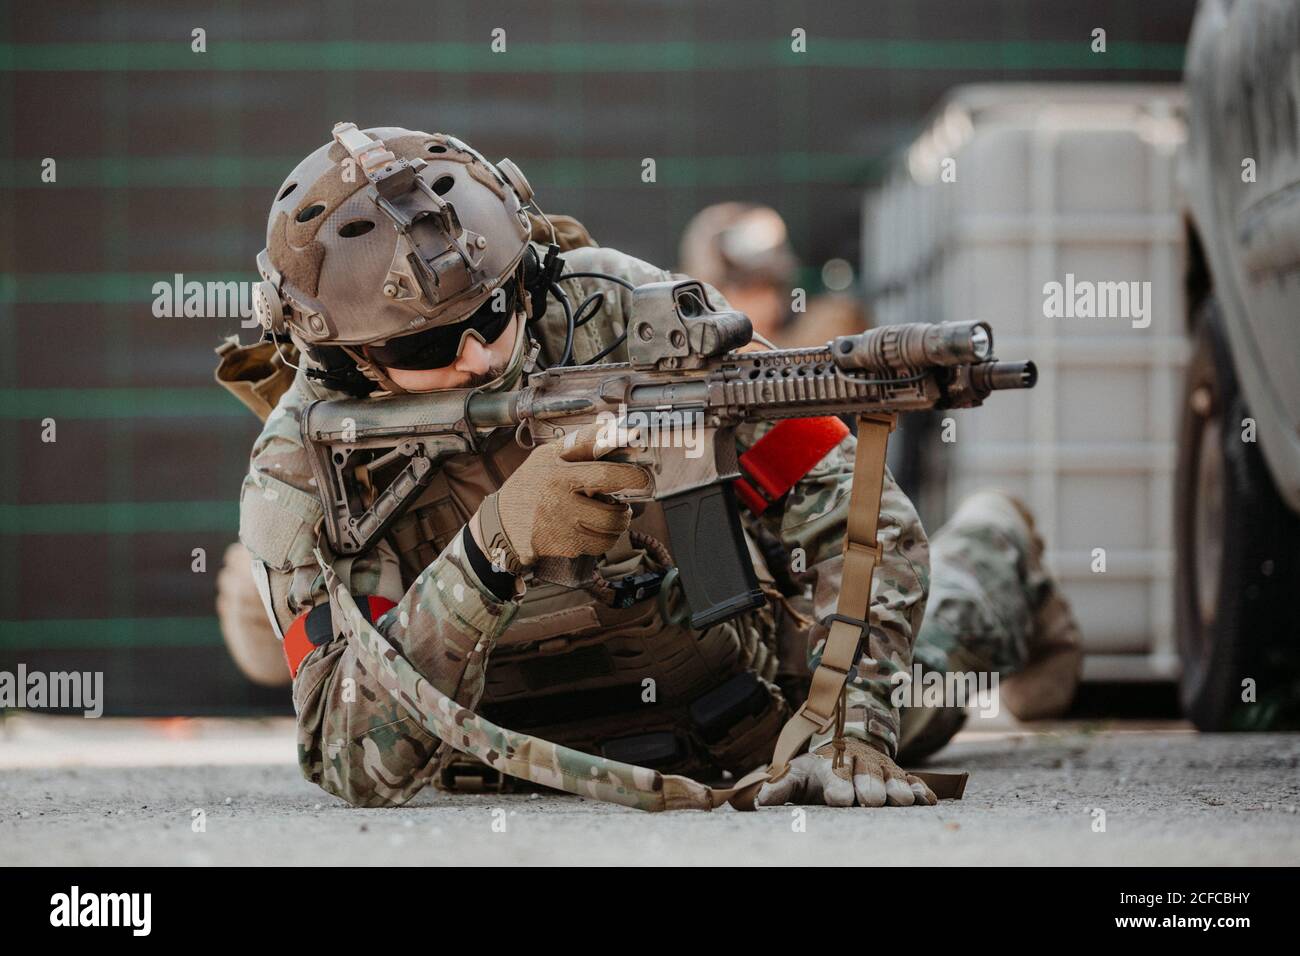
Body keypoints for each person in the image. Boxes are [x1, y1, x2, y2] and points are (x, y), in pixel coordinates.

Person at [234, 123, 1079, 809]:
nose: (482, 354)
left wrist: (844, 729)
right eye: (426, 344)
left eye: (495, 308)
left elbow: (861, 523)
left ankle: (1004, 550)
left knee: (935, 666)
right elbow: (345, 757)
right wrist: (489, 554)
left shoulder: (630, 322)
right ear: (341, 357)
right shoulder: (305, 465)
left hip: (753, 716)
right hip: (518, 766)